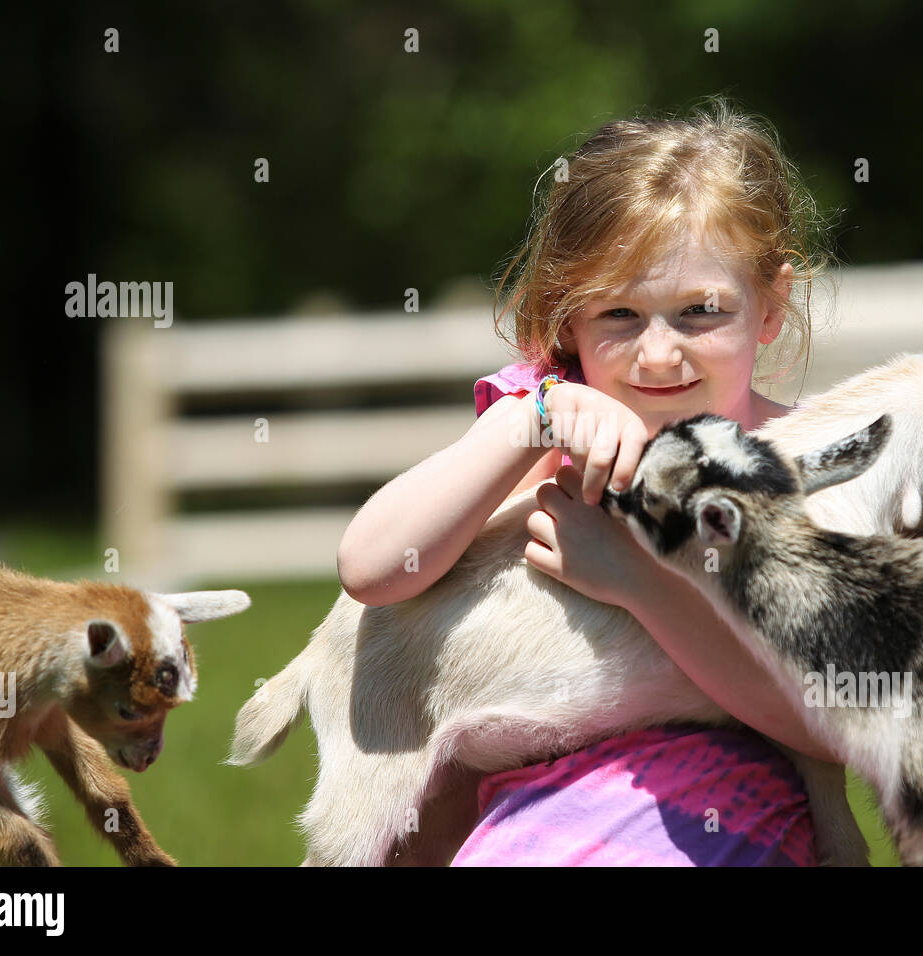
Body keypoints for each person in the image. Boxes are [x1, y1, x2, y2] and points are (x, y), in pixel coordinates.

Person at [340, 96, 838, 866]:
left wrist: (638, 581)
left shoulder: (806, 460)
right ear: (566, 320)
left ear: (772, 305)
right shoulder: (549, 432)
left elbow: (825, 723)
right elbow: (372, 567)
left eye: (699, 311)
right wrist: (531, 419)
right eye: (619, 315)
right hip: (534, 808)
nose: (659, 354)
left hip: (726, 807)